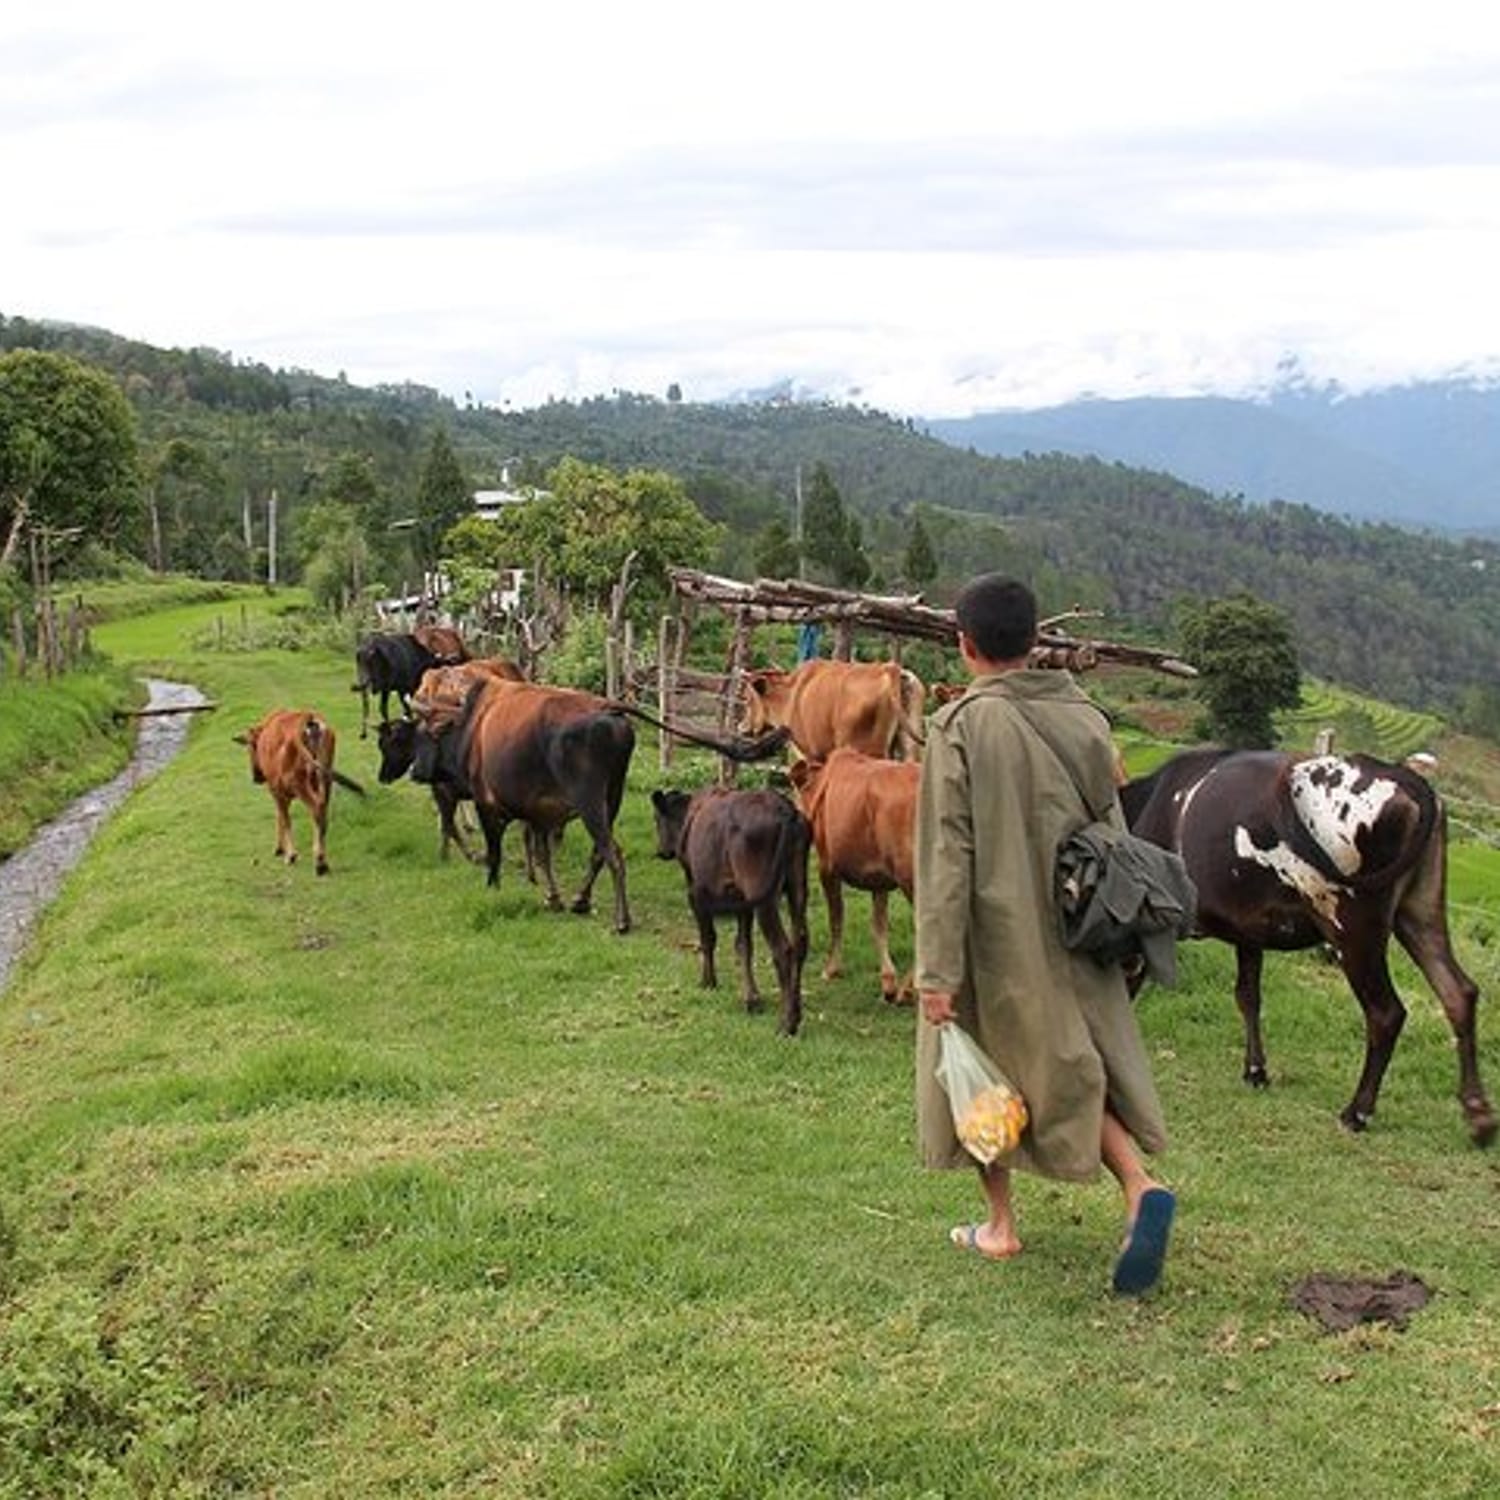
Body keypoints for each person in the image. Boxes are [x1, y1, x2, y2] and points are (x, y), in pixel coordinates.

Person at [914, 574, 1175, 1295]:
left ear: (964, 646)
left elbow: (945, 856)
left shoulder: (960, 727)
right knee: (1073, 1061)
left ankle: (1000, 1225)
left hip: (992, 941)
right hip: (1079, 923)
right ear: (1035, 642)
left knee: (979, 1074)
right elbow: (1113, 833)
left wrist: (936, 972)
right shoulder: (1085, 717)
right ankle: (1137, 1184)